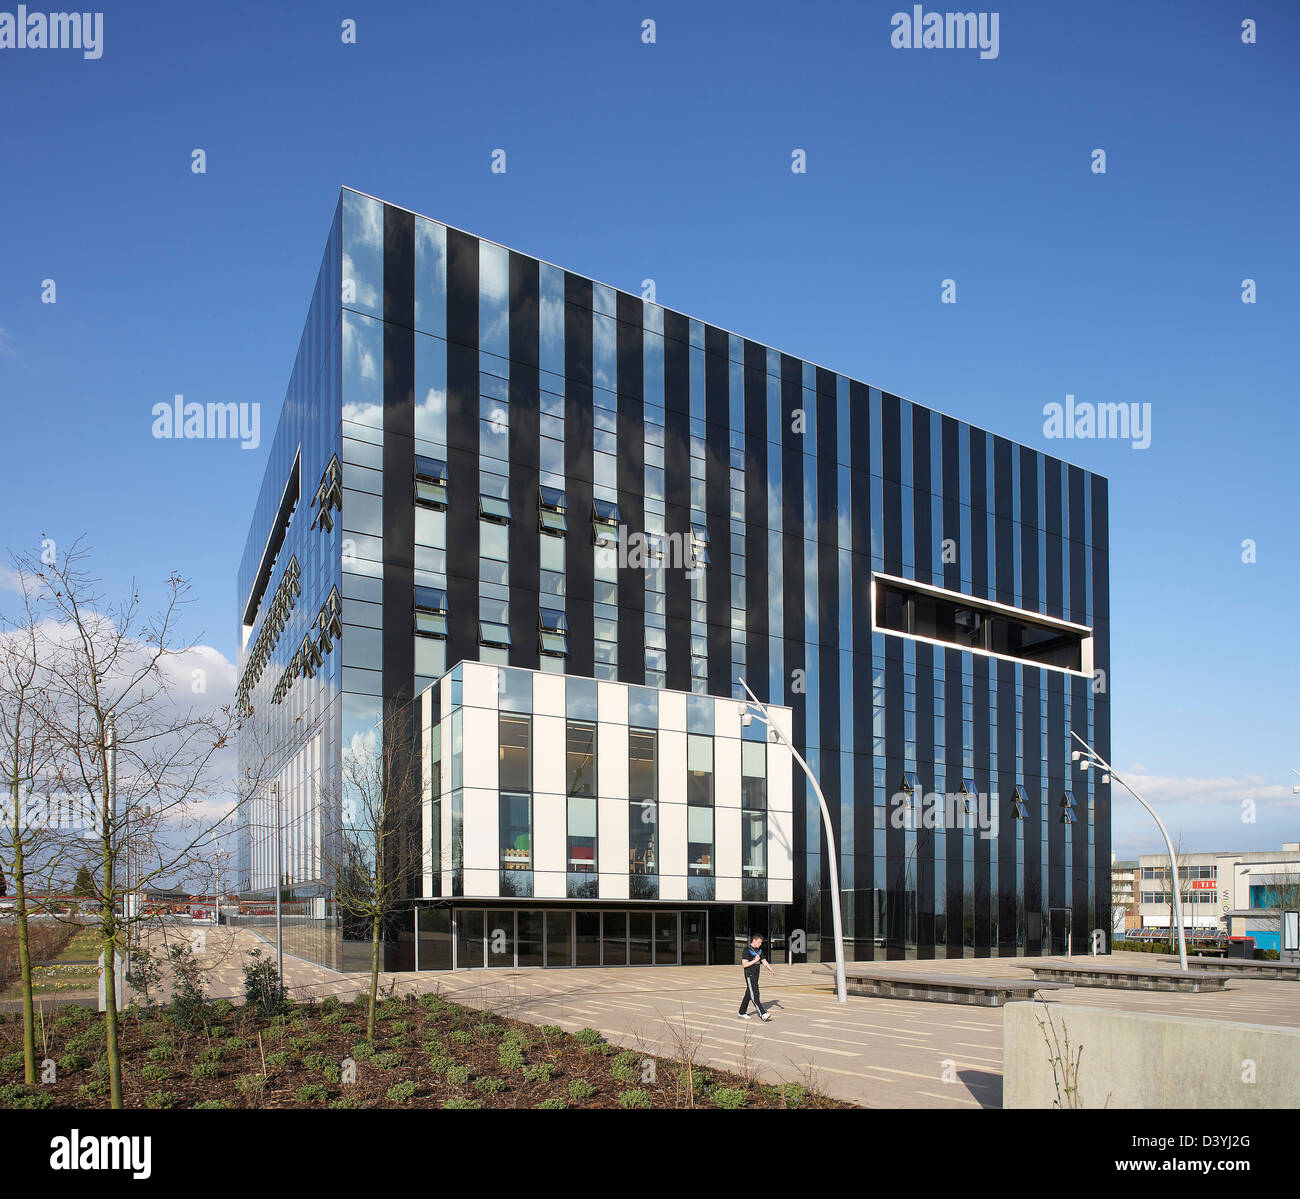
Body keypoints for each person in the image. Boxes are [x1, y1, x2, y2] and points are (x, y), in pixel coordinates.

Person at [737, 932, 775, 1020]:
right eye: (759, 942)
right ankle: (763, 1013)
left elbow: (764, 961)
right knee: (754, 995)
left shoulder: (759, 951)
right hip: (749, 975)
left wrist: (771, 970)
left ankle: (741, 1012)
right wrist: (754, 960)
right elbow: (744, 964)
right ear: (754, 940)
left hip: (756, 976)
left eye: (761, 943)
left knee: (749, 994)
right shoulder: (746, 950)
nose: (760, 944)